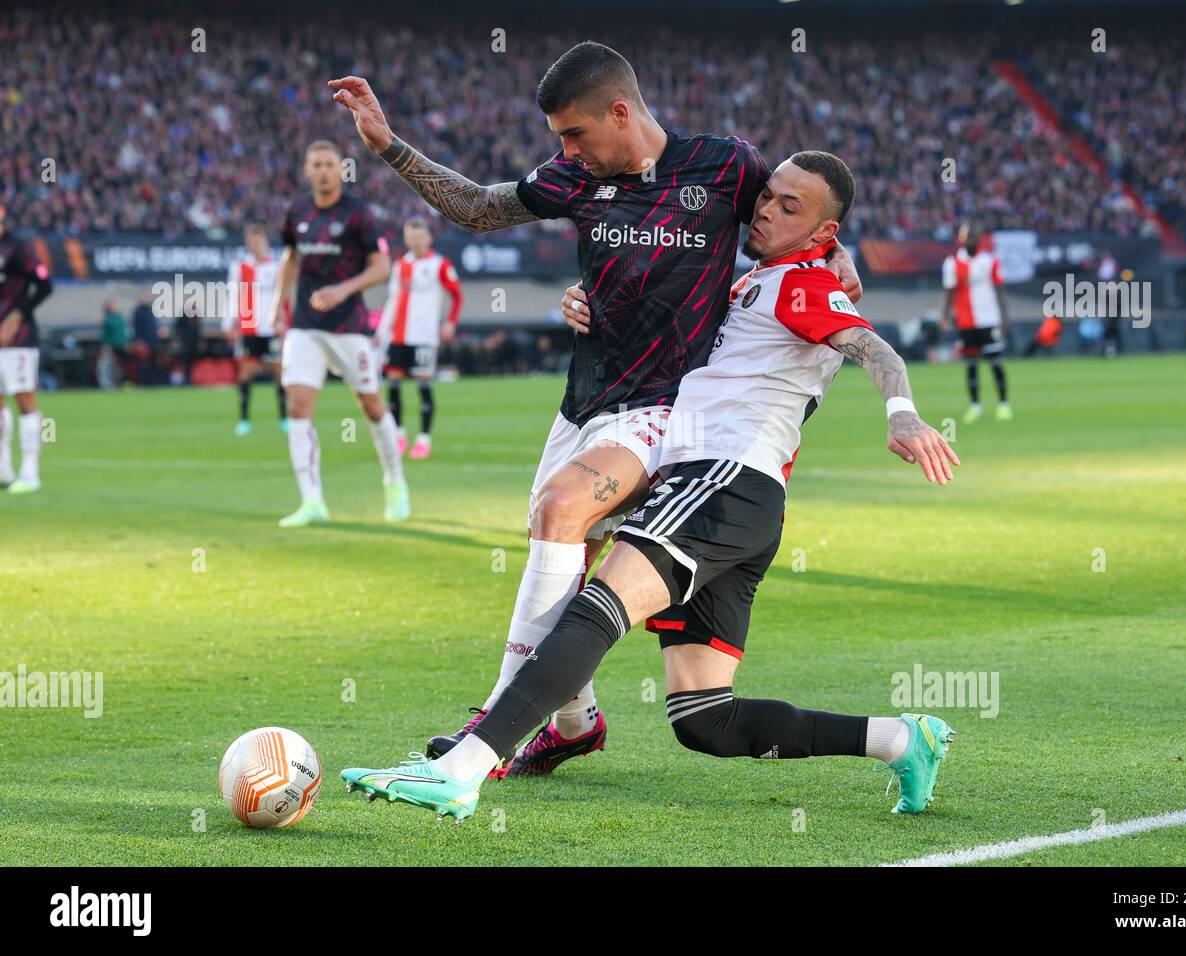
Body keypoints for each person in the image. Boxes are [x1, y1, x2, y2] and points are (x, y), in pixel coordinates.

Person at [341, 152, 959, 821]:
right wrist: (590, 303)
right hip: (742, 503)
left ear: (822, 234)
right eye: (769, 196)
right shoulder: (756, 283)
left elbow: (874, 349)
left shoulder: (802, 284)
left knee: (598, 604)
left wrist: (903, 413)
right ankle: (901, 738)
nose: (767, 209)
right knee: (704, 718)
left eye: (791, 208)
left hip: (722, 480)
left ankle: (463, 767)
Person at [330, 42, 862, 775]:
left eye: (574, 133)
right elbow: (482, 209)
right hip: (585, 400)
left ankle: (492, 728)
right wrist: (389, 146)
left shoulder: (725, 167)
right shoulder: (574, 177)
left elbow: (802, 209)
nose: (566, 150)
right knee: (559, 548)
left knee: (561, 509)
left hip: (665, 407)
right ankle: (575, 721)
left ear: (621, 112)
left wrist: (842, 257)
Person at [267, 140, 405, 527]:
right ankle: (312, 501)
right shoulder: (297, 212)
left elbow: (382, 266)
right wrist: (278, 304)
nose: (324, 170)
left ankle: (395, 483)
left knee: (372, 406)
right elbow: (291, 258)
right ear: (307, 170)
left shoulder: (358, 214)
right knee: (297, 404)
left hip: (349, 327)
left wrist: (343, 290)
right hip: (306, 327)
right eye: (317, 164)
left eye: (330, 164)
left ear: (340, 170)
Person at [374, 218, 461, 460]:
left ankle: (423, 439)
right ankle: (399, 434)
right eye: (410, 236)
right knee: (393, 383)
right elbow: (392, 300)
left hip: (424, 335)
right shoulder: (399, 265)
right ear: (405, 238)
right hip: (398, 335)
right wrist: (382, 330)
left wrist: (450, 322)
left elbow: (456, 295)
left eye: (419, 235)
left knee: (423, 384)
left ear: (428, 238)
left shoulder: (439, 264)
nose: (415, 240)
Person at [0, 202, 53, 494]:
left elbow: (45, 285)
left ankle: (30, 473)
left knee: (24, 401)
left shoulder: (17, 248)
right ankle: (4, 470)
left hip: (18, 340)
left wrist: (17, 316)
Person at [940, 223, 1011, 422]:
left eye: (974, 236)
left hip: (989, 320)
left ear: (979, 239)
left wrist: (1004, 317)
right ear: (961, 239)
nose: (971, 240)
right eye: (967, 237)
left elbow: (999, 291)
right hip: (966, 322)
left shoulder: (990, 262)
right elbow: (949, 292)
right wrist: (944, 316)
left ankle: (1003, 404)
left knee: (995, 362)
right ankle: (975, 406)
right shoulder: (952, 263)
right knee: (971, 365)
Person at [223, 223, 288, 436]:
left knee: (278, 372)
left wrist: (284, 323)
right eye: (251, 240)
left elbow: (284, 298)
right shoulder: (239, 267)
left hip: (271, 328)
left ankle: (284, 419)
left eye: (258, 239)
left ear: (266, 241)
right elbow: (233, 296)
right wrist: (228, 323)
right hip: (248, 327)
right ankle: (244, 420)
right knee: (245, 373)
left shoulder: (277, 267)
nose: (255, 243)